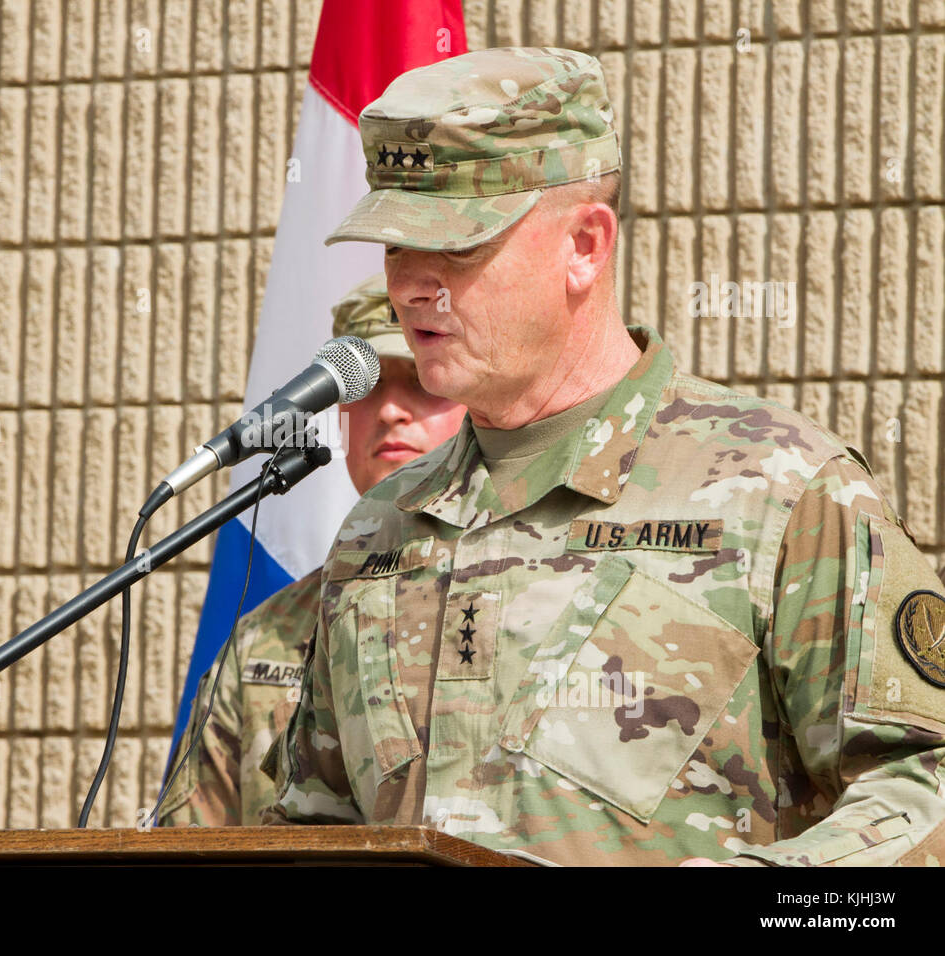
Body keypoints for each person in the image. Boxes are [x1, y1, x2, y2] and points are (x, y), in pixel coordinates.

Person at [265, 47, 945, 867]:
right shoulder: (379, 529)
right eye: (394, 248)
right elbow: (314, 829)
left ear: (585, 245)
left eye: (456, 246)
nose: (413, 285)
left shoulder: (784, 492)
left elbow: (925, 786)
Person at [157, 274, 468, 826]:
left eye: (420, 381)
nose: (391, 411)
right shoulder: (264, 638)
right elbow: (190, 851)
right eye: (367, 390)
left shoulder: (529, 590)